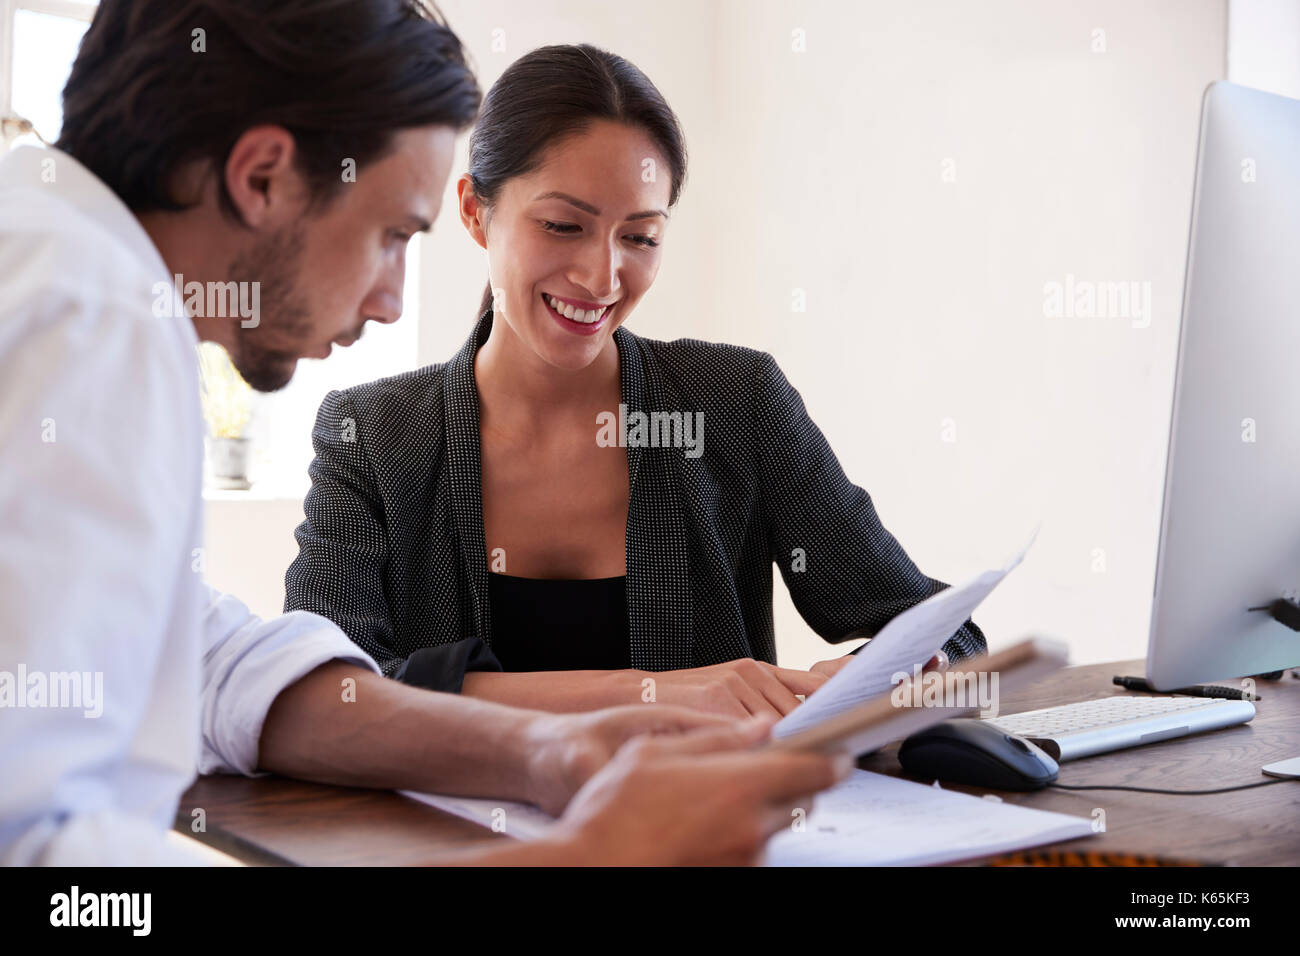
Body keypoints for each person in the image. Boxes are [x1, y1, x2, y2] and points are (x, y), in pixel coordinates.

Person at [0, 0, 847, 866]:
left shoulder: (63, 266)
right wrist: (582, 857)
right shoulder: (87, 315)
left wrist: (546, 752)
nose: (392, 300)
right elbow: (41, 851)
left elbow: (214, 666)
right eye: (392, 233)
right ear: (261, 177)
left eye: (639, 235)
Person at [284, 43, 983, 716]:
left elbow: (943, 631)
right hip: (461, 839)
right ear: (474, 210)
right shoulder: (371, 435)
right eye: (563, 226)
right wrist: (651, 695)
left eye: (641, 237)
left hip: (702, 829)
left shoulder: (736, 401)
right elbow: (324, 689)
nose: (602, 276)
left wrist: (890, 674)